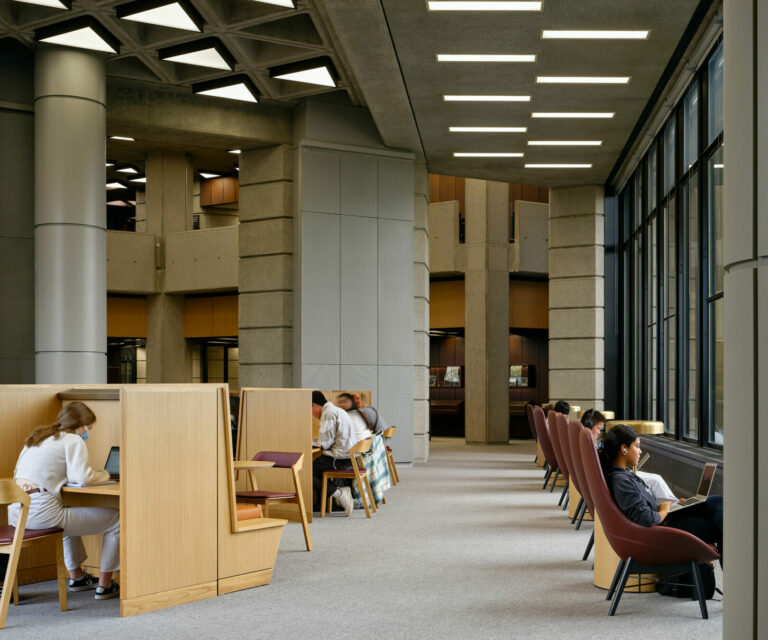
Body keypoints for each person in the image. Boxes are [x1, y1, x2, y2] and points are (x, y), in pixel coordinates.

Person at [7, 402, 121, 600]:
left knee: (67, 513)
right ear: (81, 425)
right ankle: (106, 585)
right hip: (41, 513)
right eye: (89, 428)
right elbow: (83, 477)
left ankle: (77, 577)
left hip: (17, 513)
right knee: (117, 520)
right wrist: (104, 474)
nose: (88, 433)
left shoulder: (37, 437)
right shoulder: (73, 440)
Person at [600, 423, 723, 562]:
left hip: (663, 520)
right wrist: (663, 510)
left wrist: (668, 506)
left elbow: (641, 508)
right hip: (661, 531)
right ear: (624, 449)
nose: (640, 451)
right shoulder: (621, 481)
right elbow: (646, 518)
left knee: (717, 501)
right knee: (720, 526)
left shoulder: (623, 475)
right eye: (637, 446)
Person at [584, 409, 677, 504]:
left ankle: (672, 502)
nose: (599, 432)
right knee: (656, 480)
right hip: (619, 473)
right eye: (598, 428)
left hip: (617, 472)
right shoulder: (619, 480)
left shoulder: (586, 443)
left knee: (656, 480)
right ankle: (671, 504)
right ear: (589, 426)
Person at [311, 391, 357, 516]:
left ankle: (340, 494)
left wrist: (311, 443)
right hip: (348, 456)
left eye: (311, 411)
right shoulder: (336, 410)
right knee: (314, 467)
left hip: (340, 459)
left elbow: (325, 444)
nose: (312, 415)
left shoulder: (328, 413)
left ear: (314, 405)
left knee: (306, 471)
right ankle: (338, 494)